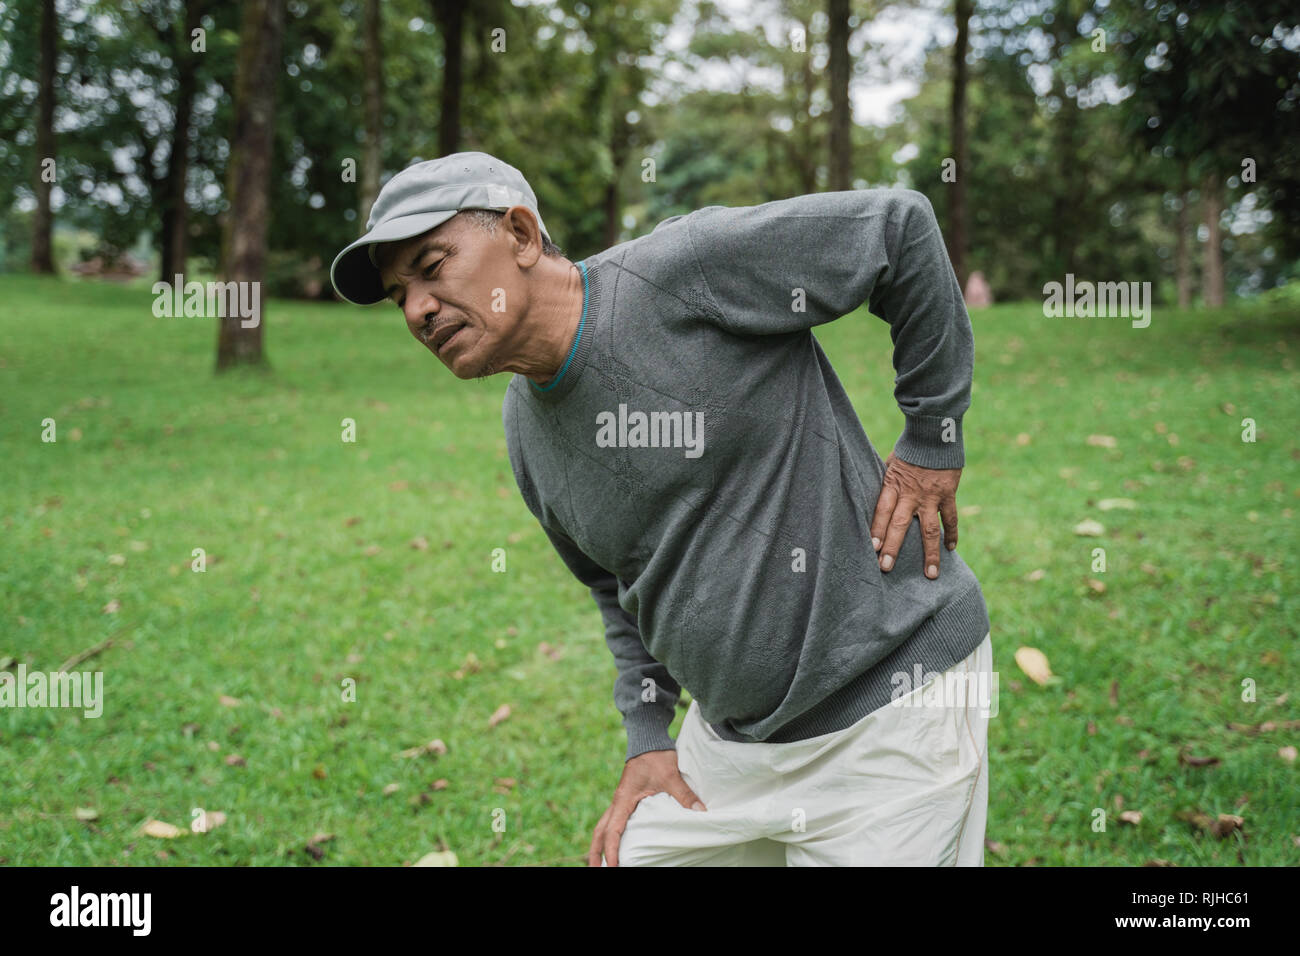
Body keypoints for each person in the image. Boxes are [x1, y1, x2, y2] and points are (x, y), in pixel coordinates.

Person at [330, 151, 994, 867]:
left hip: (891, 711)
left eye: (432, 266)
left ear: (521, 235)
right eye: (400, 294)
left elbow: (899, 230)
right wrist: (649, 735)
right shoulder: (525, 432)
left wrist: (933, 437)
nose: (418, 309)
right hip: (734, 749)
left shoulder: (683, 270)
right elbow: (619, 590)